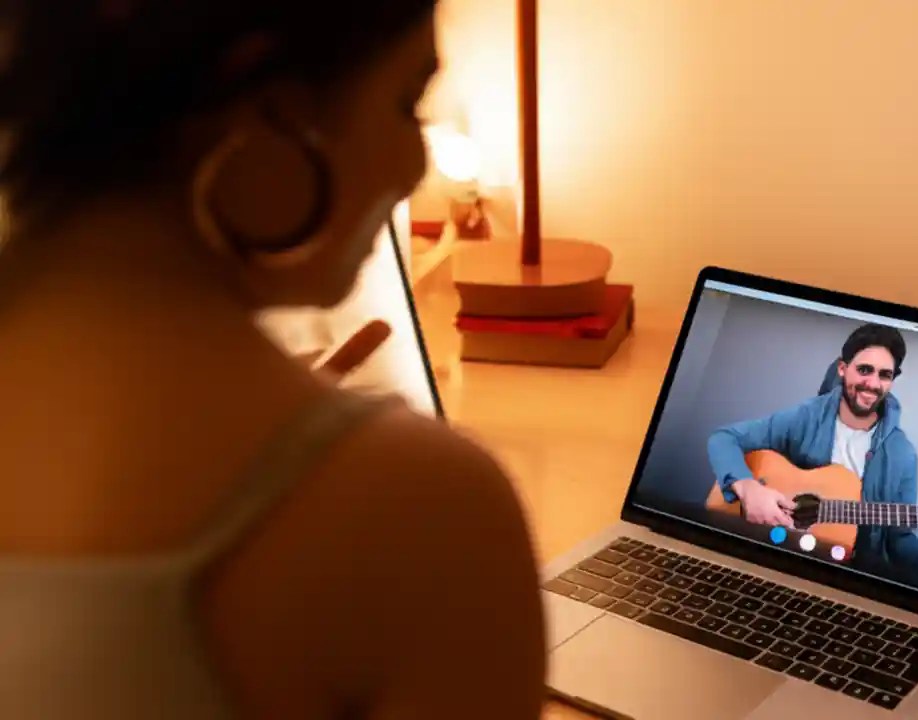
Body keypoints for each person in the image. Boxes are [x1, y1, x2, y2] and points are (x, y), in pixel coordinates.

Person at [0, 2, 544, 718]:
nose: (415, 167)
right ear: (269, 113)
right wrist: (332, 464)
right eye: (407, 101)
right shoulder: (423, 511)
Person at [707, 323, 918, 582]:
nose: (873, 383)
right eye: (864, 370)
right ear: (843, 369)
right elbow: (724, 438)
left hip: (845, 577)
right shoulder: (807, 416)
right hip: (774, 555)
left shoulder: (902, 455)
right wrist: (748, 488)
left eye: (884, 375)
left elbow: (899, 541)